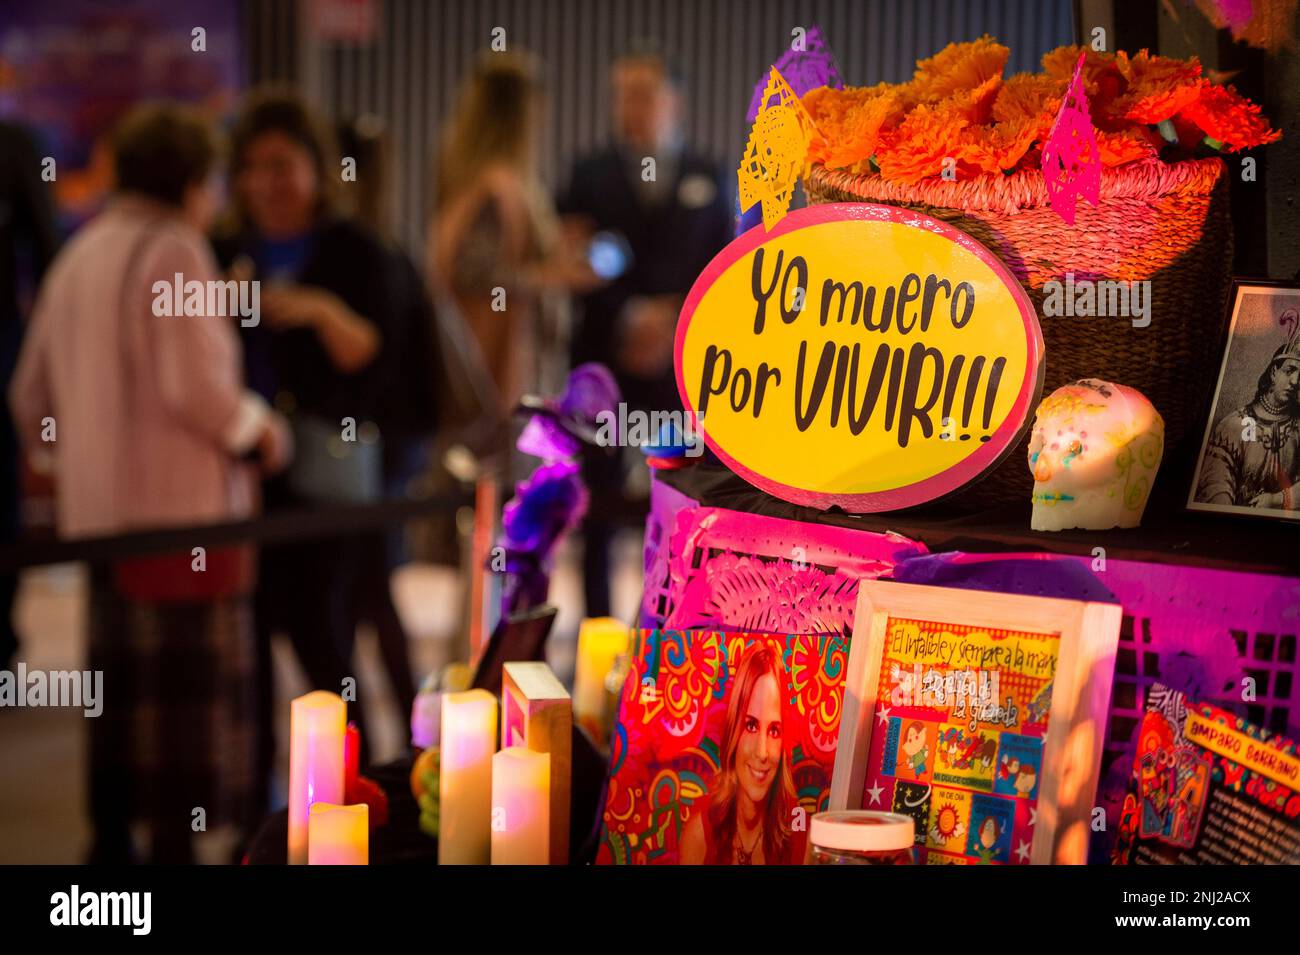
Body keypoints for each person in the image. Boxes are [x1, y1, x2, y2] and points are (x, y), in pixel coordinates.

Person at [9, 103, 291, 863]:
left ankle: (111, 859)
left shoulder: (83, 249)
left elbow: (28, 393)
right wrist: (264, 431)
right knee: (182, 724)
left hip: (101, 521)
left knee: (119, 708)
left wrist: (72, 462)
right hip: (182, 523)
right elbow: (197, 389)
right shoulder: (174, 248)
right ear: (194, 178)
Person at [214, 93, 439, 798]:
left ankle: (358, 798)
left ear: (316, 167)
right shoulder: (224, 247)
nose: (266, 182)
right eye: (251, 168)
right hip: (236, 483)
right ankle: (257, 805)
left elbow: (377, 361)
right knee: (249, 648)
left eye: (281, 165)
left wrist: (315, 309)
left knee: (328, 641)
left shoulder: (357, 249)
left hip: (329, 482)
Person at [560, 45, 732, 617]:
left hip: (679, 361)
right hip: (608, 357)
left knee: (681, 495)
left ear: (673, 99)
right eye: (622, 94)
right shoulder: (589, 175)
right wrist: (631, 315)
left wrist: (672, 321)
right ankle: (596, 628)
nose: (631, 106)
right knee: (599, 497)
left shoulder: (707, 174)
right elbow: (575, 261)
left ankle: (671, 622)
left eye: (643, 93)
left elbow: (724, 265)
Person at [430, 52, 597, 410]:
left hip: (488, 374)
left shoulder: (470, 181)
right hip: (495, 374)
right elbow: (473, 276)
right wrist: (552, 276)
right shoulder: (496, 188)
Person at [0, 120, 60, 670]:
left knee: (3, 503)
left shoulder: (15, 143)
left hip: (2, 347)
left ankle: (2, 646)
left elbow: (48, 257)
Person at [679, 643, 801, 864]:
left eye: (774, 730)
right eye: (751, 726)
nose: (762, 752)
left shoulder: (803, 837)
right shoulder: (699, 837)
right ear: (733, 730)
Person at [1195, 319, 1300, 510]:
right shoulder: (1234, 425)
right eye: (1290, 371)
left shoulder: (1297, 427)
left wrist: (1276, 500)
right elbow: (1215, 486)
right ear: (1274, 372)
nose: (1295, 381)